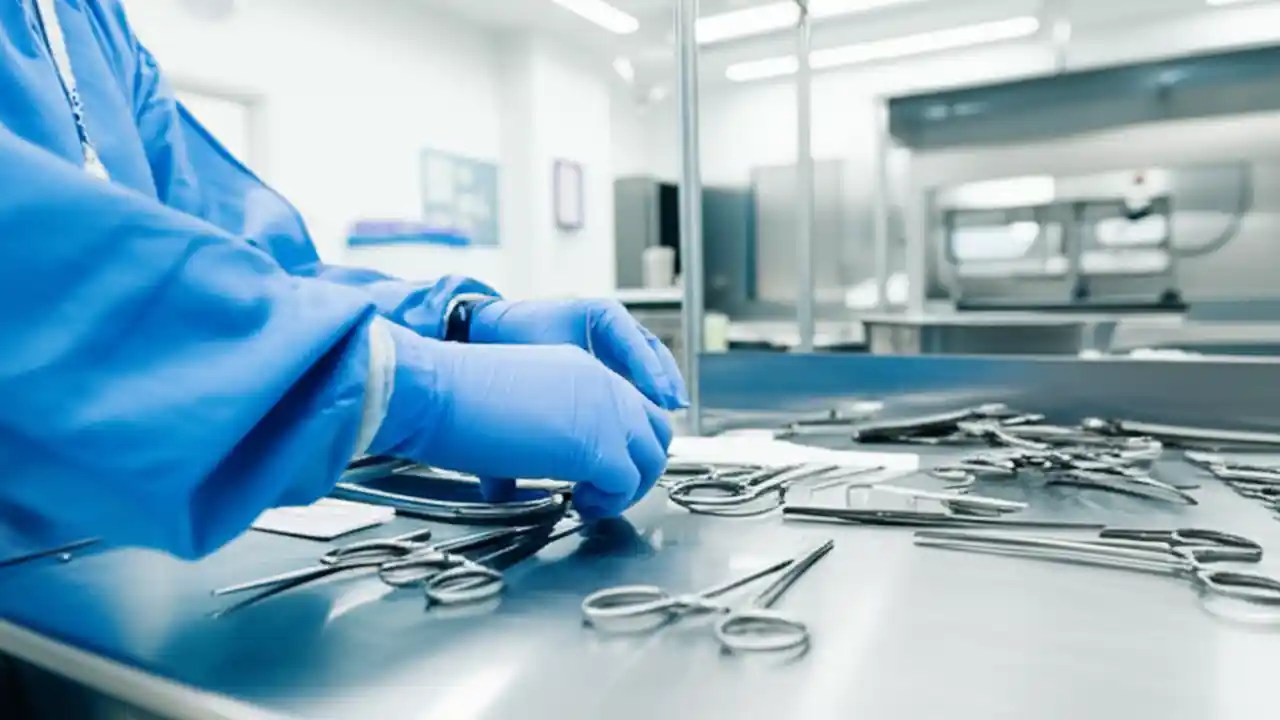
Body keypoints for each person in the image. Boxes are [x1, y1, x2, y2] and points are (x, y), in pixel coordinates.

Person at [0, 0, 685, 559]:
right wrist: (406, 387)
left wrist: (456, 325)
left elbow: (251, 263)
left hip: (82, 565)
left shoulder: (83, 20)